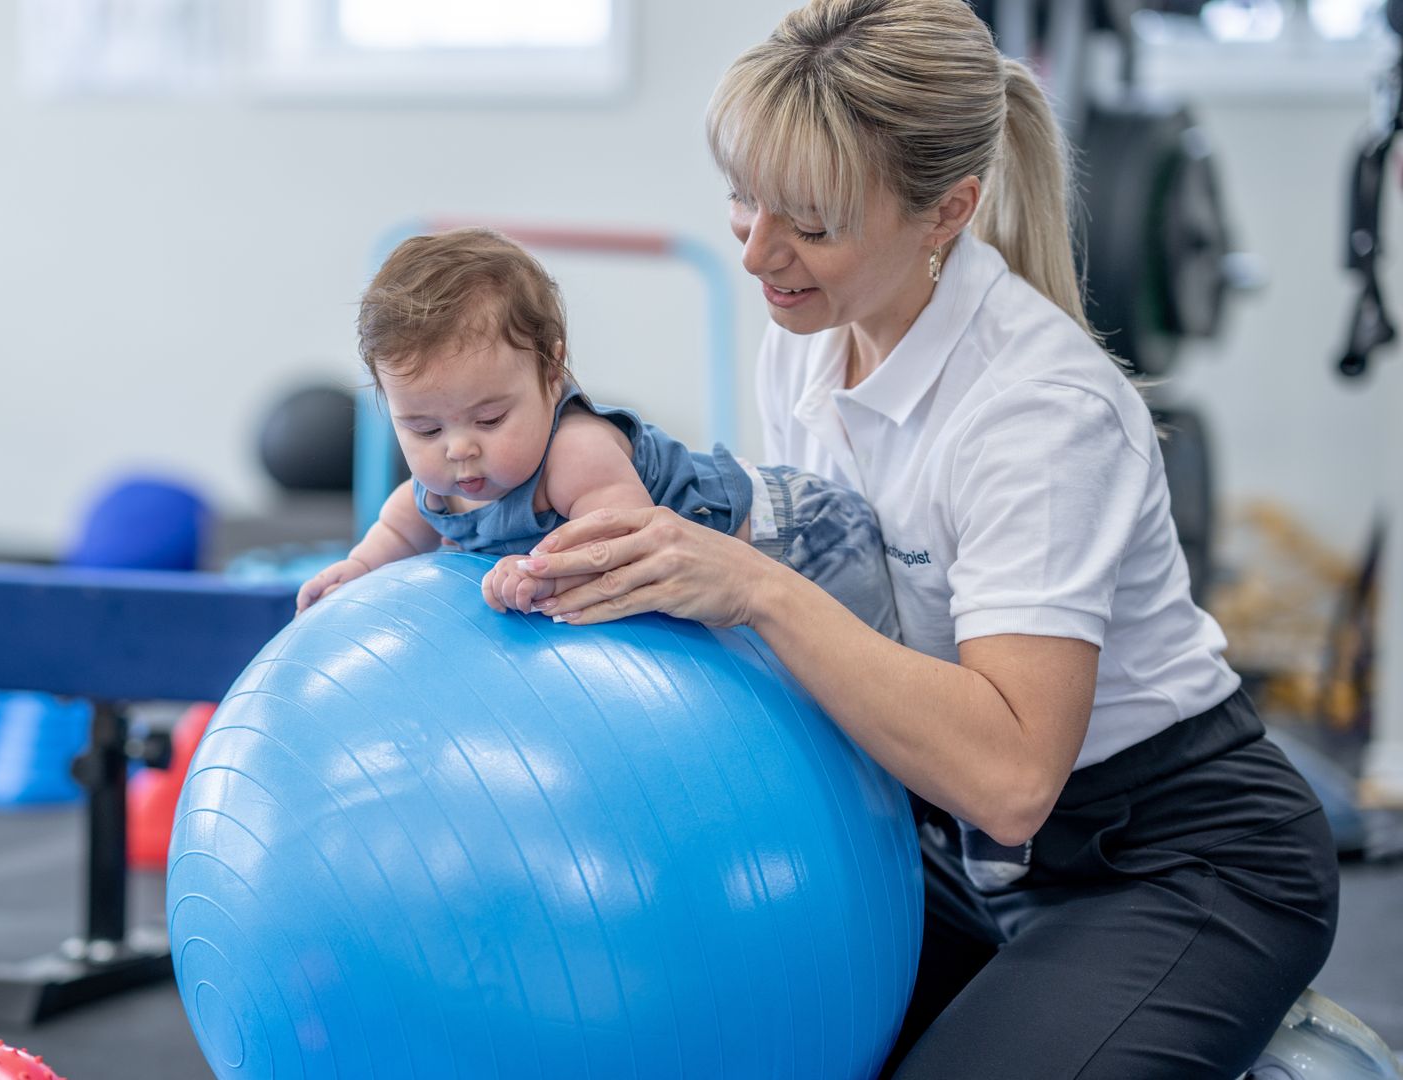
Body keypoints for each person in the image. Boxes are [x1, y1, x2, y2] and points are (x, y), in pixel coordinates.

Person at [507, 1, 1340, 1077]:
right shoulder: (805, 343)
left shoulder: (1036, 411)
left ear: (946, 210)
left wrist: (751, 585)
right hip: (958, 848)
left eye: (809, 220)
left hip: (1175, 859)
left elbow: (1008, 777)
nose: (760, 250)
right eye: (744, 199)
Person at [294, 226, 897, 639]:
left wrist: (539, 572)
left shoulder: (575, 454)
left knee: (856, 705)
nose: (459, 448)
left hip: (803, 539)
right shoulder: (438, 489)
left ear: (552, 370)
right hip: (748, 578)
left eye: (489, 419)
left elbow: (626, 549)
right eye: (423, 427)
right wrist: (357, 571)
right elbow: (401, 529)